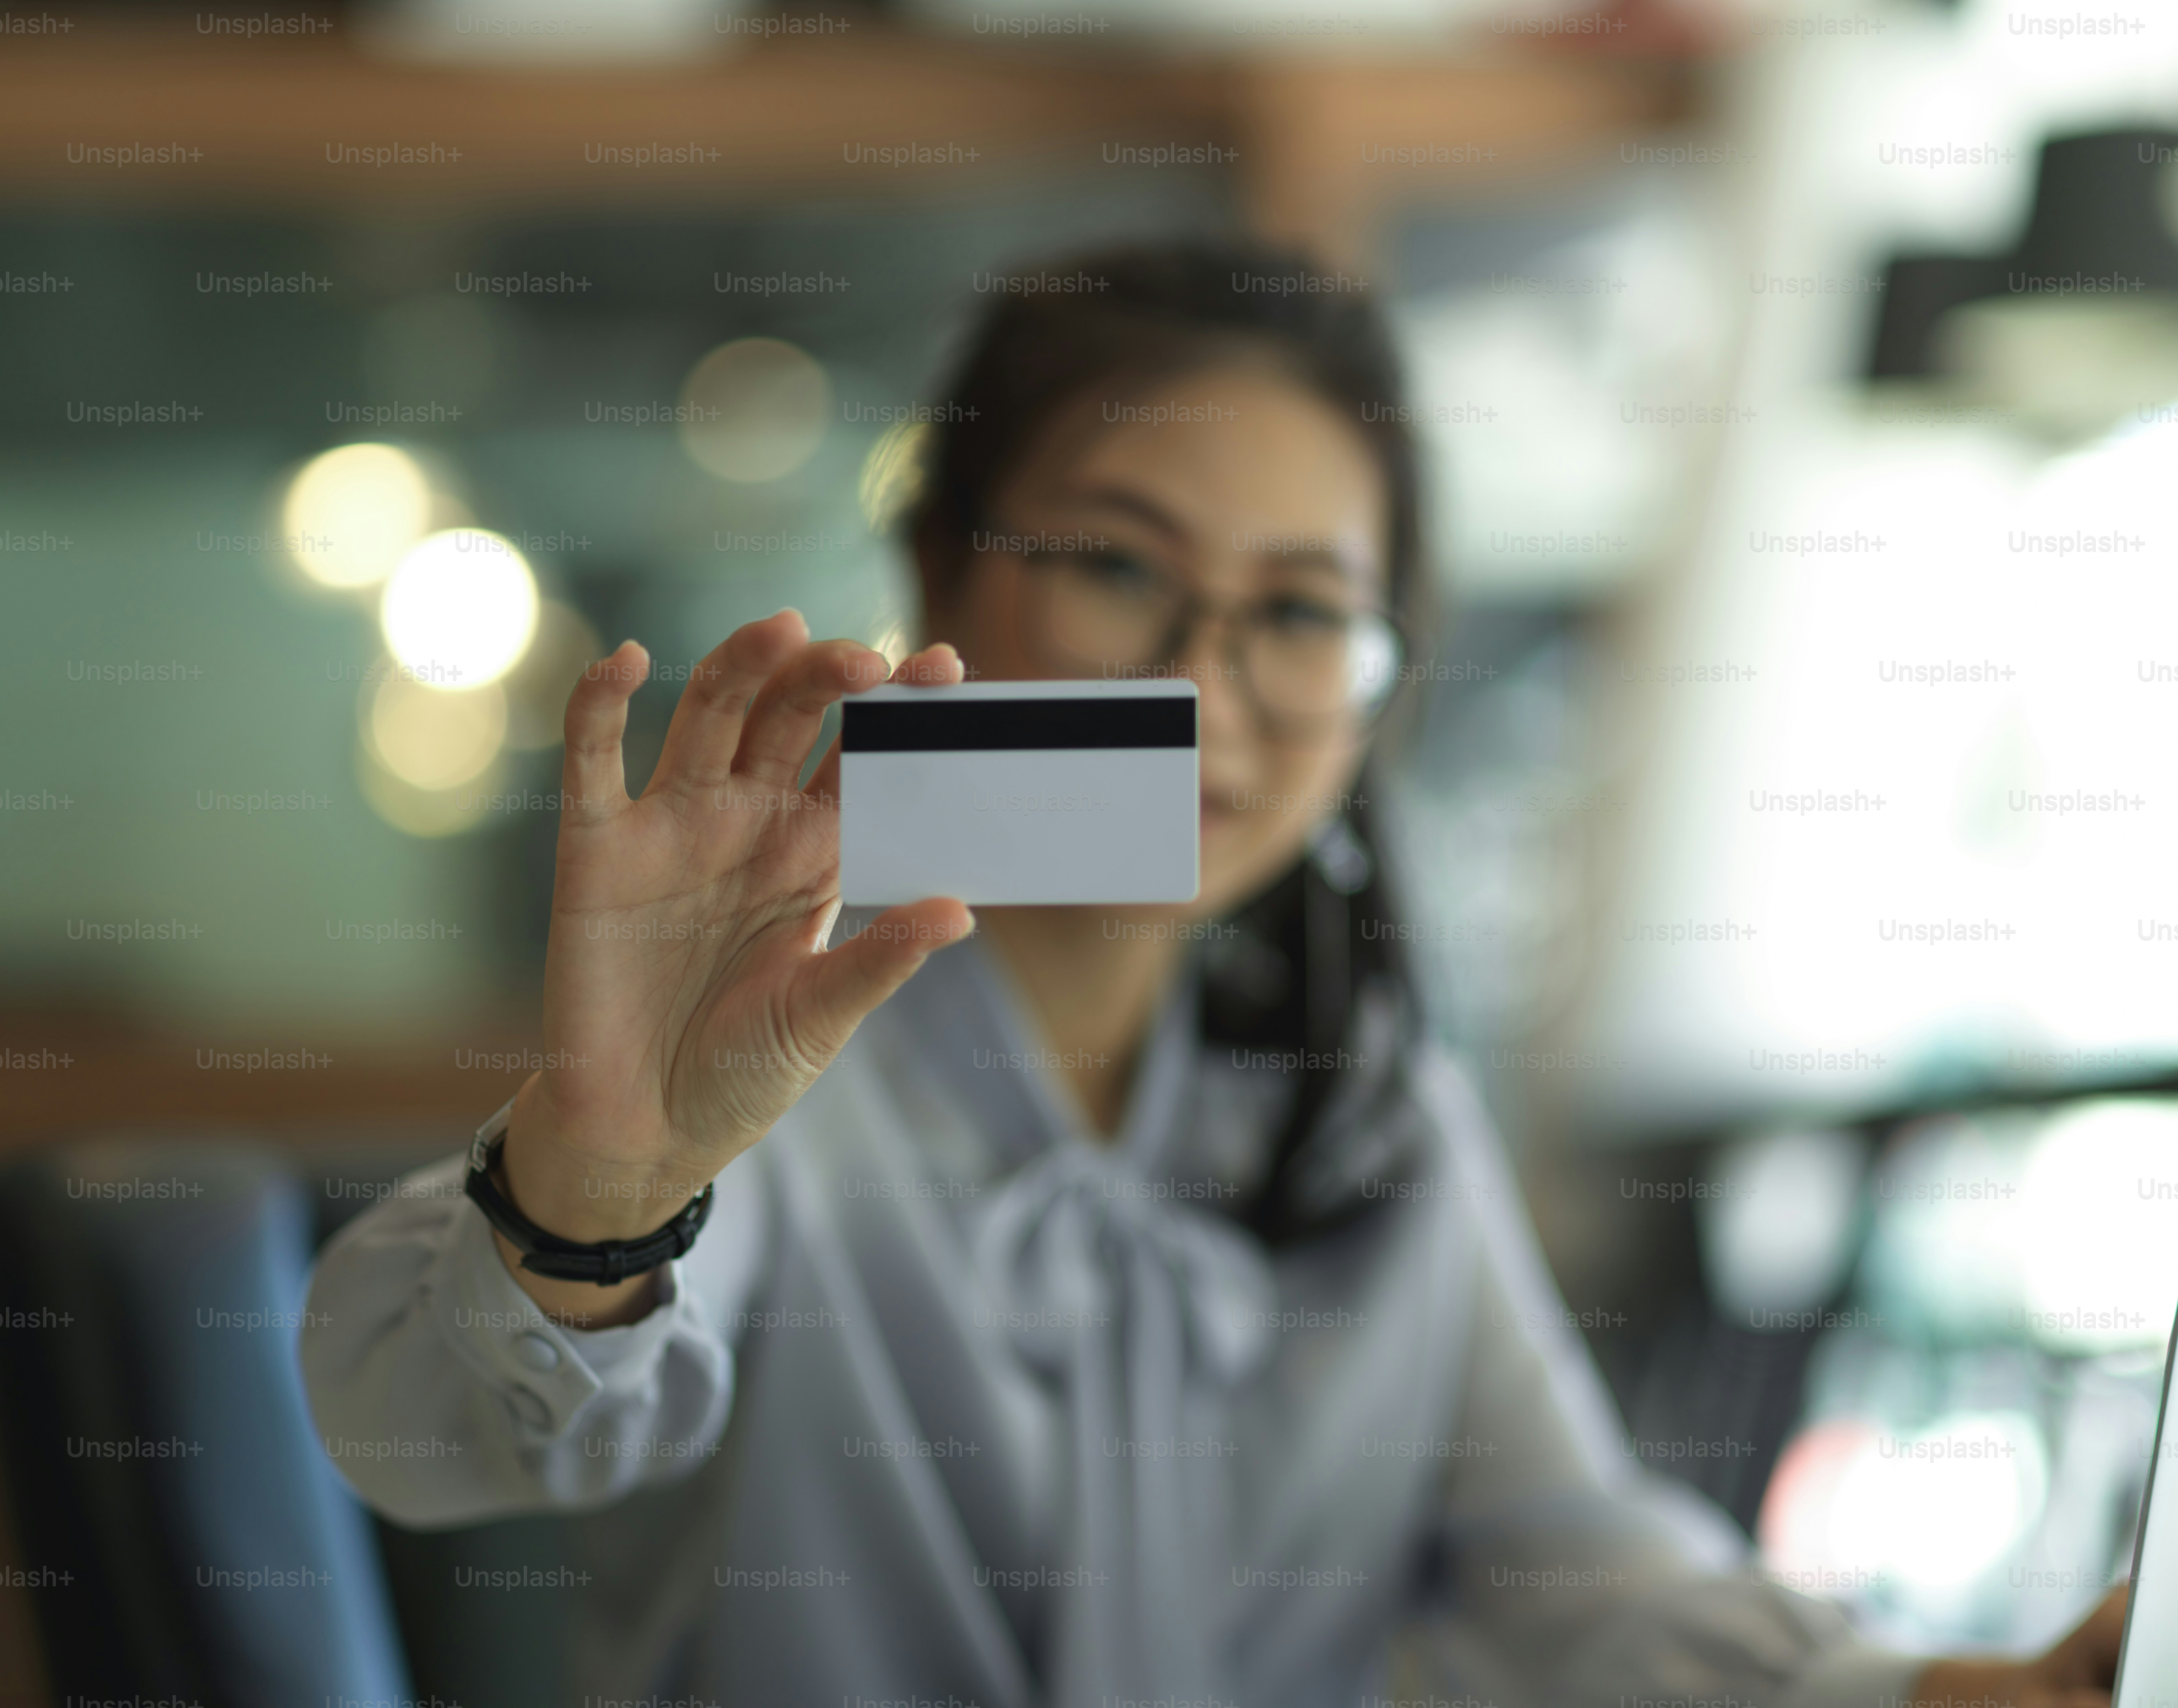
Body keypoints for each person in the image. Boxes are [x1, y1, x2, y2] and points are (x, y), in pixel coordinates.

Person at [301, 240, 2127, 1706]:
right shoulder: (768, 1055)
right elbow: (420, 1433)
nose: (1207, 681)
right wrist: (605, 1194)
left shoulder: (1365, 1101)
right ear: (942, 563)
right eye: (1117, 567)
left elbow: (1567, 1560)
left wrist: (1954, 1691)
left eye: (1302, 612)